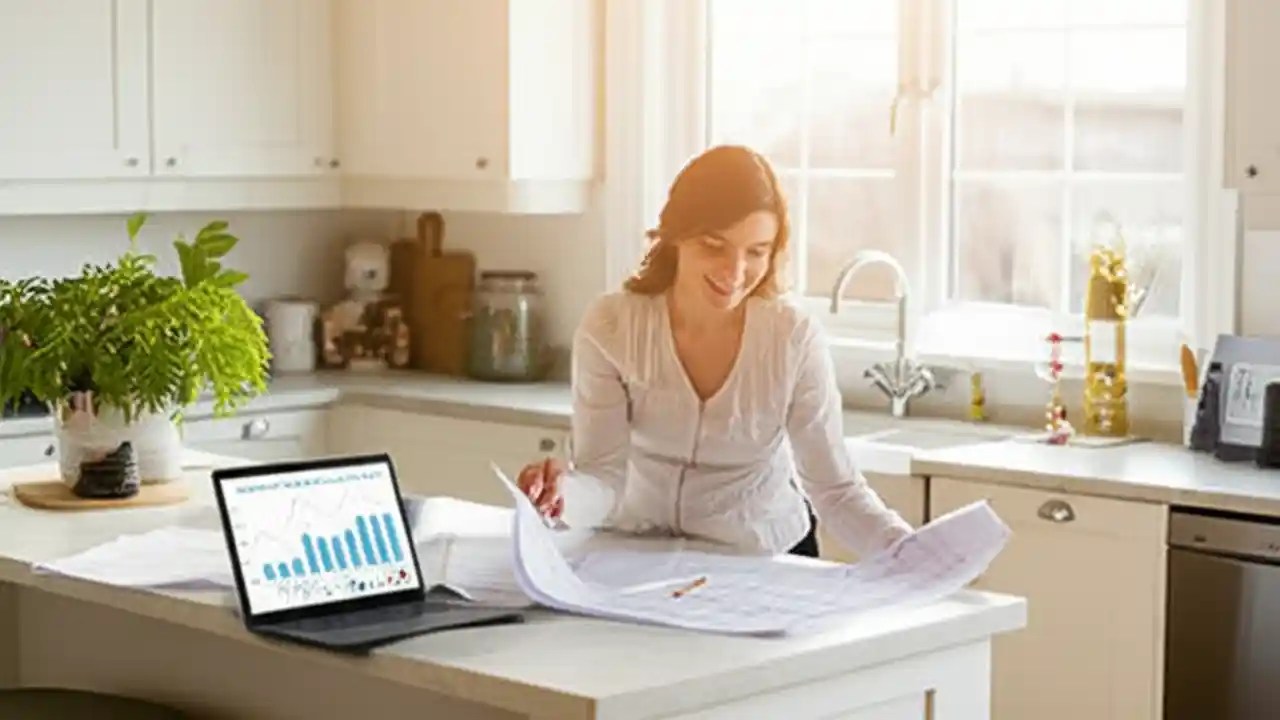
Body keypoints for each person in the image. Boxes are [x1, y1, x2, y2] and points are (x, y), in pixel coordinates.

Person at [516, 145, 912, 558]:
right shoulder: (613, 327)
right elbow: (602, 478)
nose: (735, 271)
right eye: (714, 245)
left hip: (764, 559)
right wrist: (563, 495)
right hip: (638, 558)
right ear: (677, 236)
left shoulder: (792, 340)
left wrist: (910, 551)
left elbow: (836, 490)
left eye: (756, 251)